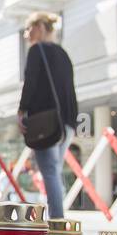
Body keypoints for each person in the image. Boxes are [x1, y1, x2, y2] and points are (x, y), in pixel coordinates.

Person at [18, 12, 77, 219]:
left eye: (29, 29)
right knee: (55, 170)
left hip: (46, 122)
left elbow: (30, 82)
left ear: (41, 27)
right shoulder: (63, 54)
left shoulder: (37, 51)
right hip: (66, 121)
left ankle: (56, 220)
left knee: (50, 171)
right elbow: (70, 88)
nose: (26, 34)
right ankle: (55, 217)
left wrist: (22, 110)